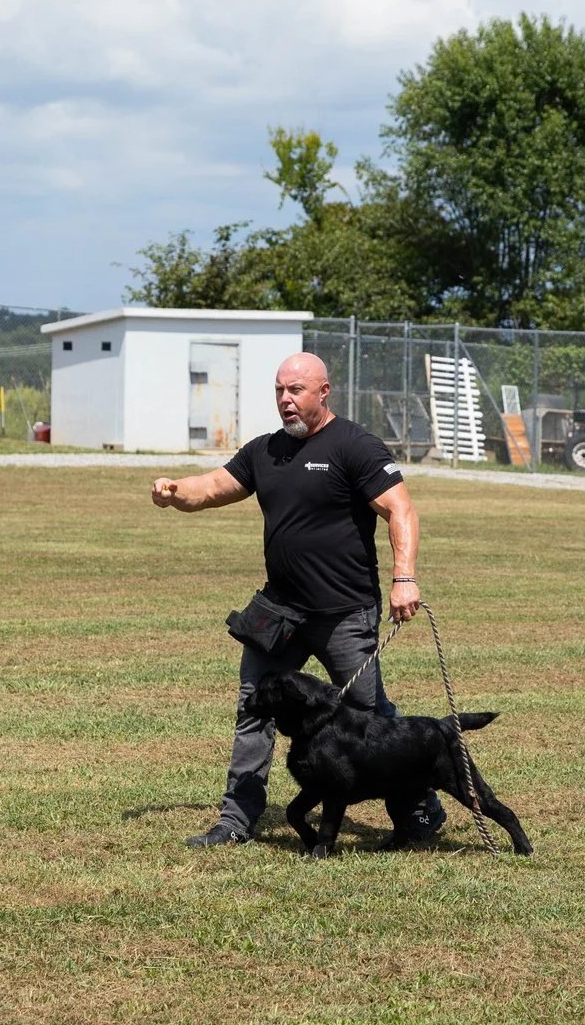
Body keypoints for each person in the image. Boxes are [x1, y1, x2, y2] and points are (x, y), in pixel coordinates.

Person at [150, 351, 446, 848]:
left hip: (344, 615)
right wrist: (176, 490)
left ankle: (420, 809)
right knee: (254, 708)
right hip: (278, 614)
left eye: (296, 391)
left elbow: (401, 510)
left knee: (370, 717)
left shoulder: (356, 446)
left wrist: (405, 577)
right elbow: (214, 486)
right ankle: (236, 820)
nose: (286, 400)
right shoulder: (265, 451)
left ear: (323, 392)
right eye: (279, 391)